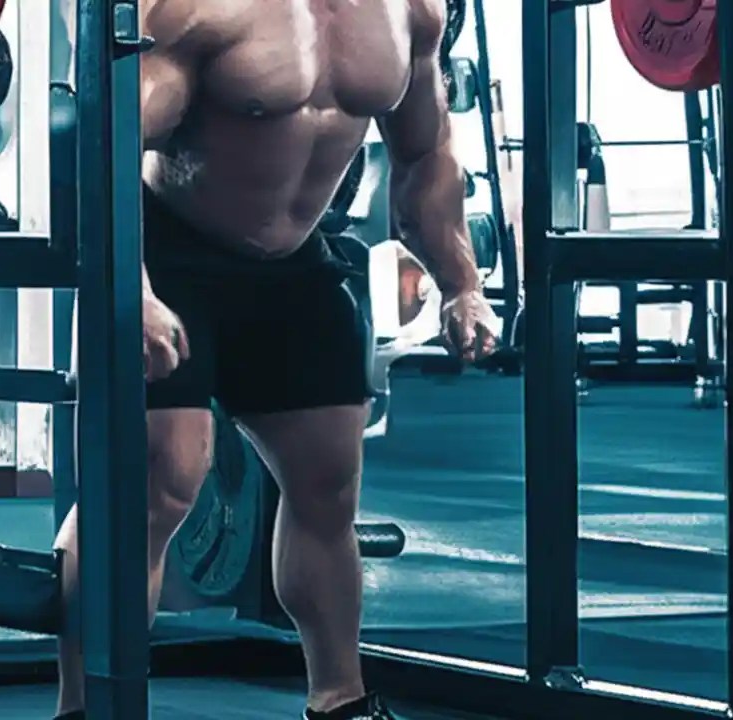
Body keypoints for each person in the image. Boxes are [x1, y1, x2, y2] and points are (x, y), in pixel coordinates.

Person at [53, 0, 497, 717]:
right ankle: (85, 707)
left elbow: (427, 151)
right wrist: (127, 290)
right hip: (166, 255)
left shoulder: (410, 12)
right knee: (151, 486)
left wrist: (462, 285)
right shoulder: (196, 11)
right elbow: (103, 142)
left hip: (295, 261)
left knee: (329, 487)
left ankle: (339, 700)